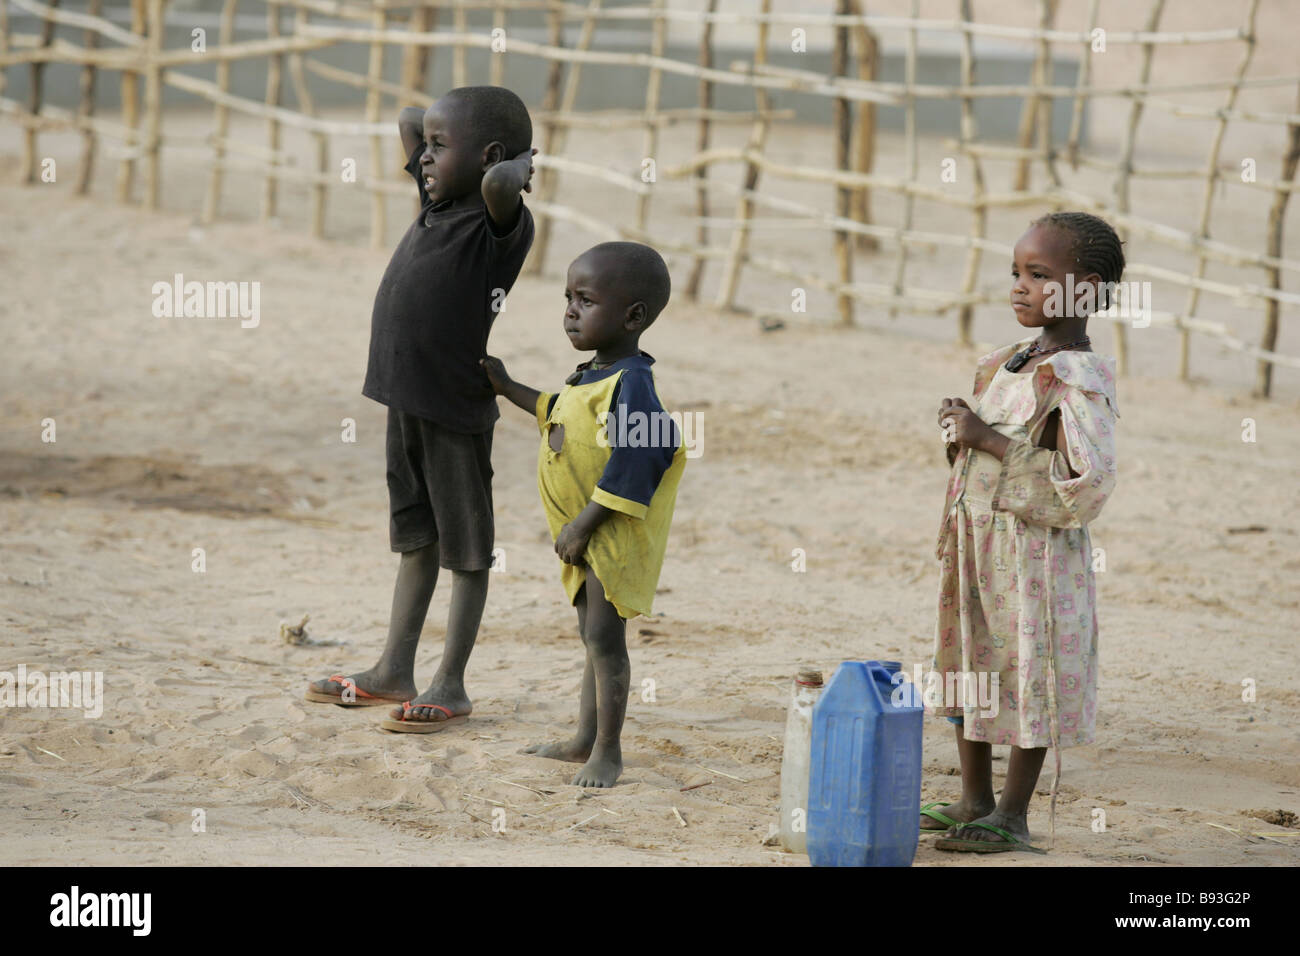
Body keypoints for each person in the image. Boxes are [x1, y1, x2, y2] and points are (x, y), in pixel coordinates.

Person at [303, 87, 536, 733]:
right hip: (405, 397)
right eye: (425, 148)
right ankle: (393, 670)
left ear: (490, 160)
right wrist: (438, 134)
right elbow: (411, 119)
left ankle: (451, 684)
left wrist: (508, 169)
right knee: (417, 539)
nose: (424, 157)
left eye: (438, 147)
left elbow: (498, 187)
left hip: (453, 408)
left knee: (465, 553)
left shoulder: (498, 224)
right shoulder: (436, 202)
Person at [922, 212, 1122, 851]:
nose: (1019, 286)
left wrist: (988, 441)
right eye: (1016, 272)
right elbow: (980, 450)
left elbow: (1084, 484)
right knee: (970, 660)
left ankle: (1012, 812)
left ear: (1084, 290)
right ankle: (974, 796)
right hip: (976, 546)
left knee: (1028, 668)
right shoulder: (1001, 362)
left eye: (1038, 275)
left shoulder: (1074, 378)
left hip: (1033, 560)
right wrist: (962, 430)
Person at [480, 242, 686, 787]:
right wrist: (506, 388)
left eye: (586, 300)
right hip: (585, 536)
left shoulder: (633, 384)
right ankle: (582, 740)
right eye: (568, 297)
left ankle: (608, 752)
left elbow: (641, 457)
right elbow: (556, 411)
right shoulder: (592, 374)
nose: (570, 310)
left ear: (632, 316)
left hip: (609, 536)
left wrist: (585, 522)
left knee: (604, 639)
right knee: (592, 637)